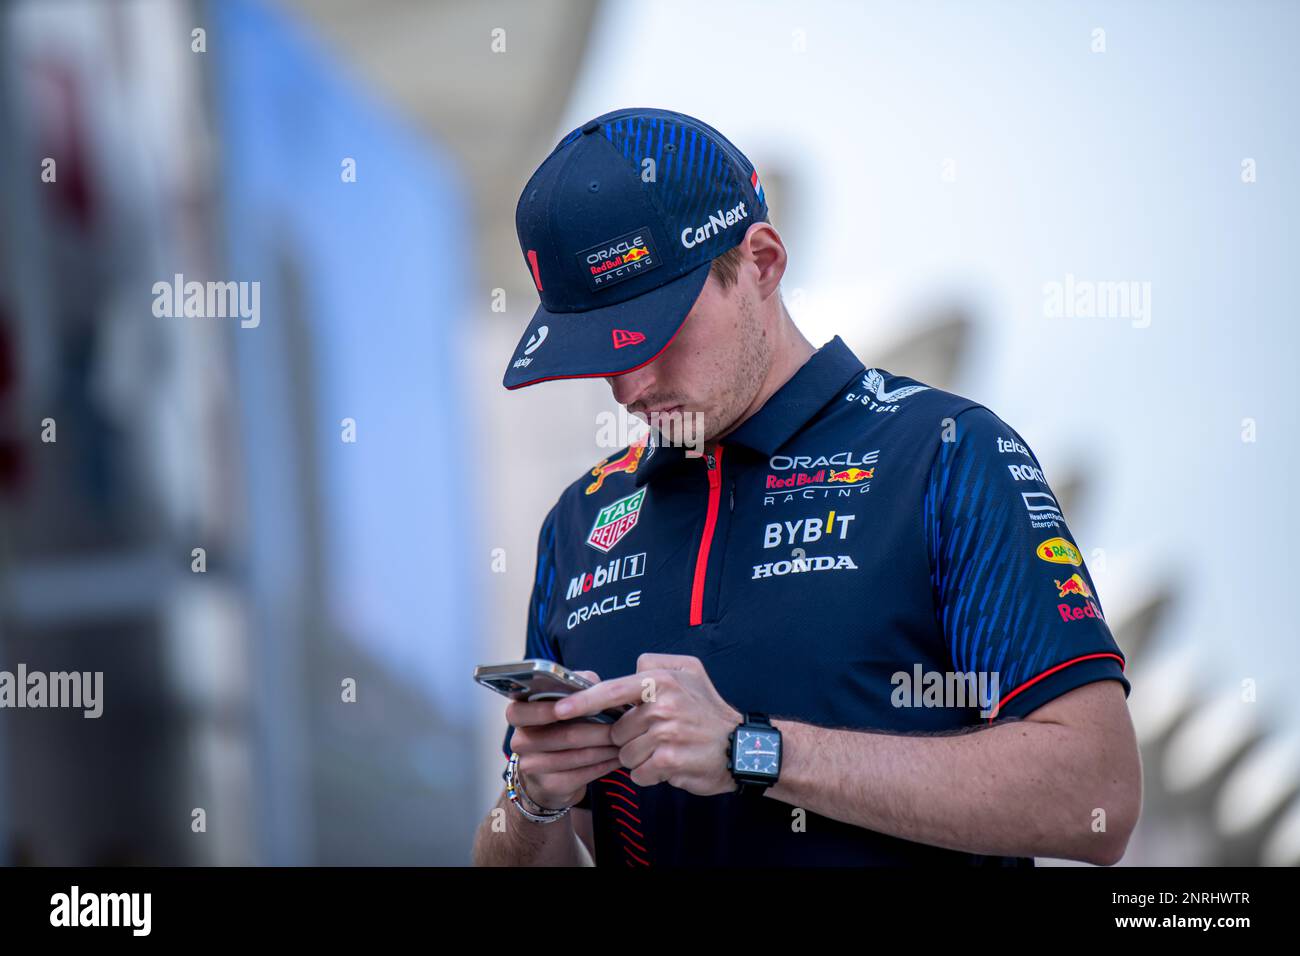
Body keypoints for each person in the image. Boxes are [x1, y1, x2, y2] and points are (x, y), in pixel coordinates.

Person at [471, 107, 1141, 867]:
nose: (629, 387)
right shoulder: (580, 519)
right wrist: (534, 799)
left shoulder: (944, 452)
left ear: (760, 262)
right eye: (599, 351)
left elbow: (1097, 797)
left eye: (655, 333)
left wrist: (753, 750)